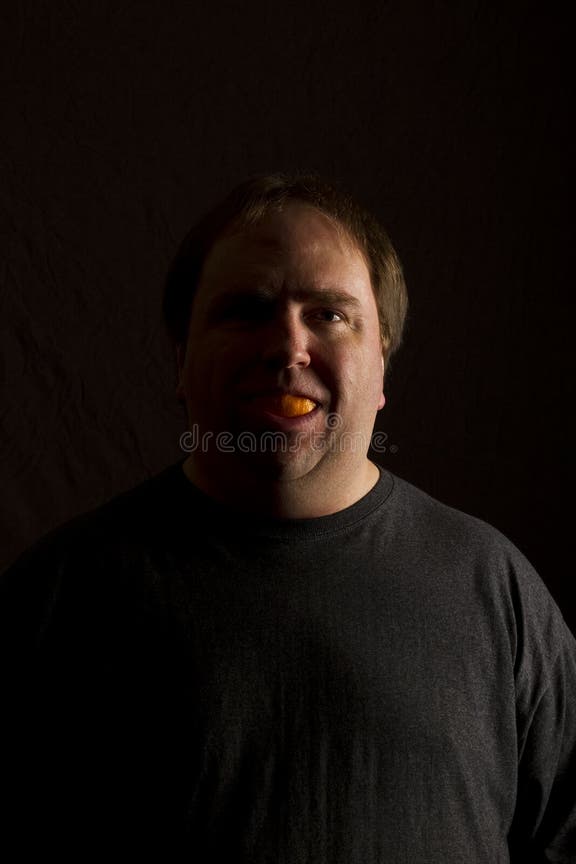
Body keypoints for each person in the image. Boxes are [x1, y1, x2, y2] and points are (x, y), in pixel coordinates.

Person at [1, 173, 575, 862]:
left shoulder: (498, 591)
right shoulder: (60, 596)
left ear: (382, 363)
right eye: (245, 310)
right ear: (180, 359)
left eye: (330, 314)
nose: (287, 347)